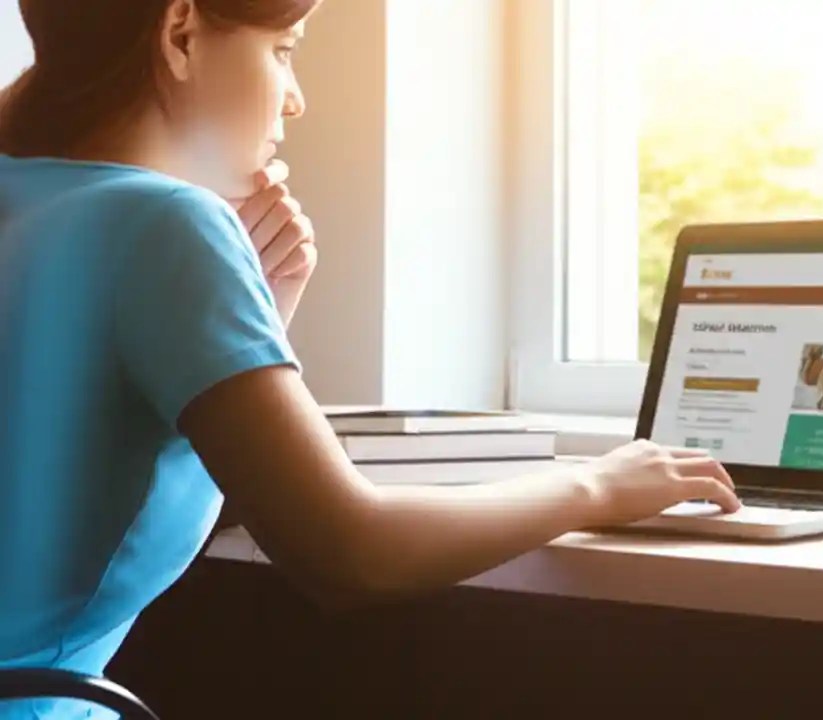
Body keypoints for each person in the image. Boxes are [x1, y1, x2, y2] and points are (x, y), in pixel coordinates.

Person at [0, 1, 739, 716]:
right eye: (283, 50)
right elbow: (351, 555)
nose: (294, 100)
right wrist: (598, 484)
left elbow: (82, 492)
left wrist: (260, 315)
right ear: (182, 32)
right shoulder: (168, 223)